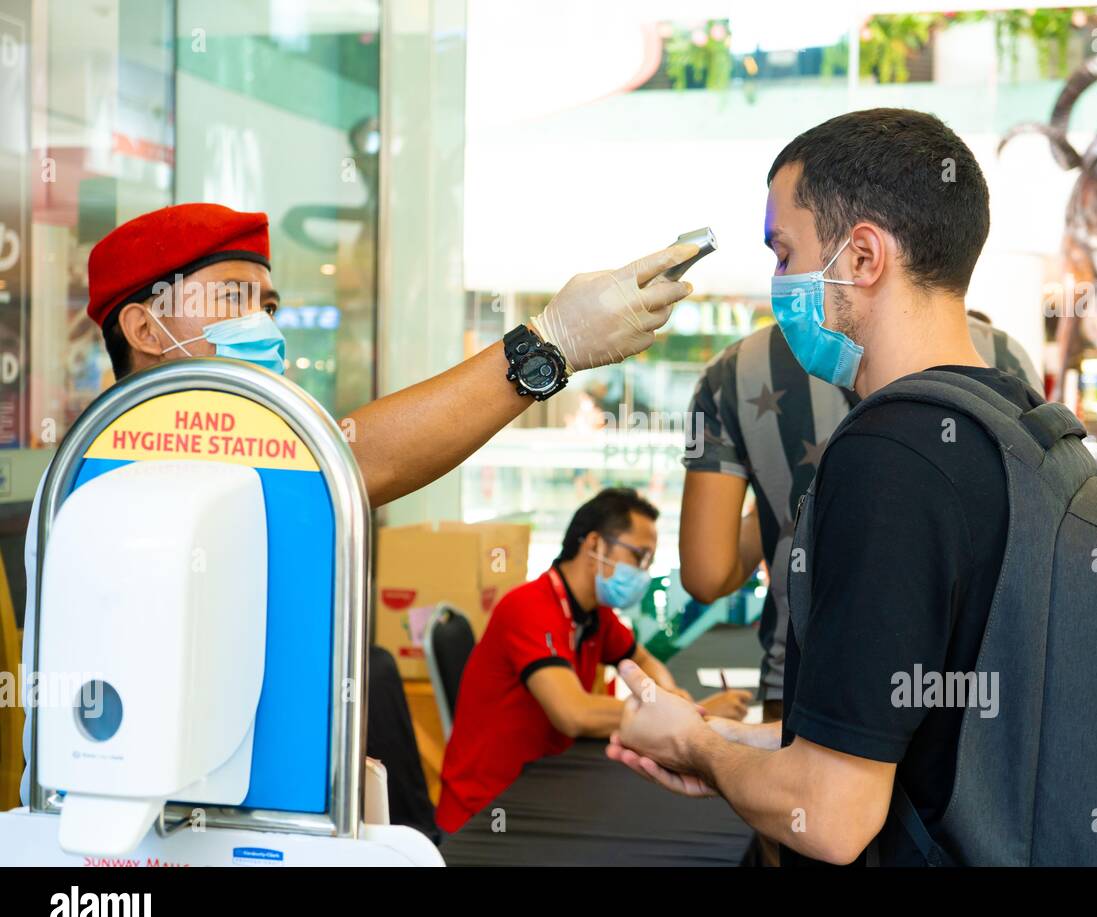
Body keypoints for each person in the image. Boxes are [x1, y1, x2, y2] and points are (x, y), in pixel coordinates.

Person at [19, 202, 697, 803]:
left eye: (270, 304)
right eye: (233, 298)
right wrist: (549, 344)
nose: (260, 321)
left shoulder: (254, 455)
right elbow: (361, 456)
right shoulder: (110, 469)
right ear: (143, 327)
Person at [606, 108, 1049, 865]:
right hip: (993, 769)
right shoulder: (1021, 392)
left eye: (785, 255)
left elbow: (830, 814)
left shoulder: (872, 454)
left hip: (818, 716)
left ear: (865, 256)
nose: (779, 284)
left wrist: (691, 741)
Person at [679, 311, 1042, 725]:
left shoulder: (730, 372)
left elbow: (706, 575)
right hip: (970, 694)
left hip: (804, 689)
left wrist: (778, 507)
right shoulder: (1005, 358)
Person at [435, 488, 750, 835]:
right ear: (596, 545)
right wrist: (685, 714)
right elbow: (574, 714)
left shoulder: (595, 613)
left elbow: (641, 659)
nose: (643, 573)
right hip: (488, 812)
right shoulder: (528, 607)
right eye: (639, 557)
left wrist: (672, 695)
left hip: (547, 784)